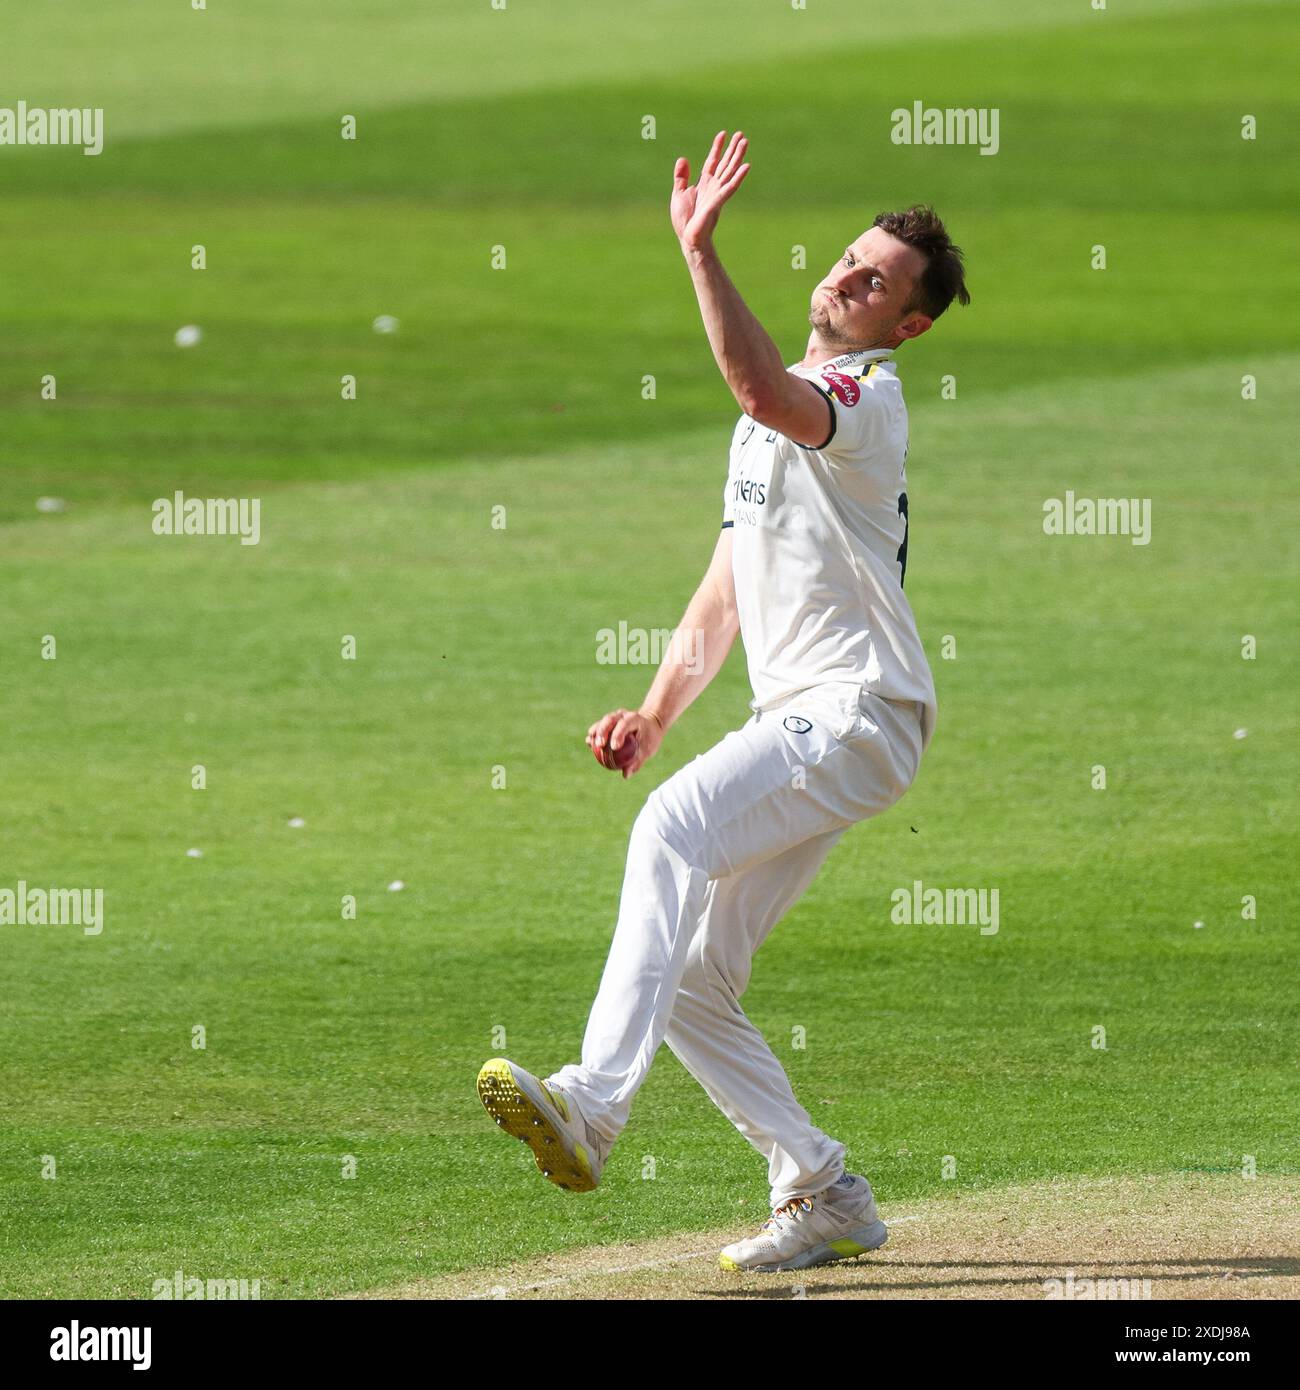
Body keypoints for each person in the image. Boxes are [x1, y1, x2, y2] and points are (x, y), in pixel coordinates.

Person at [478, 130, 969, 1273]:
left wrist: (699, 252)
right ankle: (821, 1186)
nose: (848, 279)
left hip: (856, 707)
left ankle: (592, 1108)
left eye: (877, 281)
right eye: (849, 260)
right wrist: (657, 709)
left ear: (909, 324)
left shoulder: (861, 397)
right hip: (809, 719)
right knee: (693, 978)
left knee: (669, 831)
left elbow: (757, 377)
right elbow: (725, 586)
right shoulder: (765, 425)